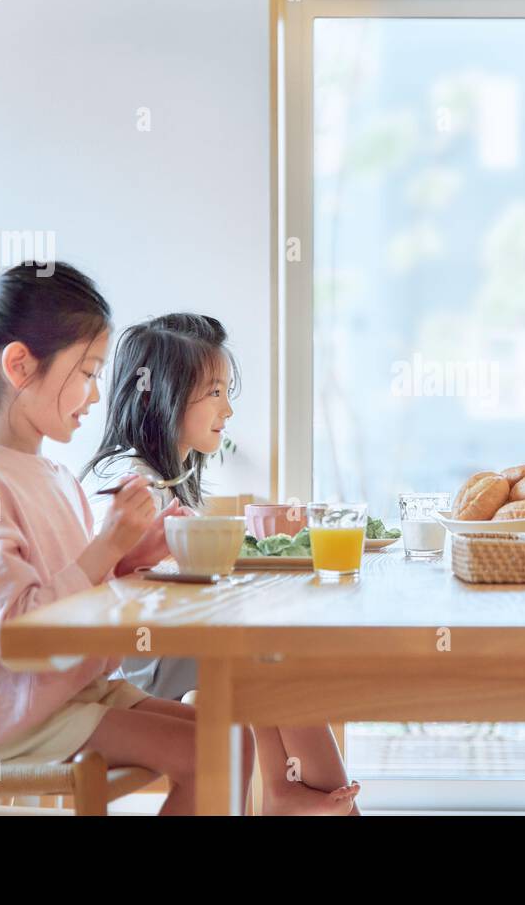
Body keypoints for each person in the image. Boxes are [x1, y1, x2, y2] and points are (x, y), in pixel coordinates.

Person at [83, 313, 360, 814]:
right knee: (273, 658)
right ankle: (291, 793)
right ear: (162, 394)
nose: (228, 409)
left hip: (168, 648)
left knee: (271, 654)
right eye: (214, 393)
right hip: (138, 666)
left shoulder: (166, 476)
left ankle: (284, 789)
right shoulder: (132, 486)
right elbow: (125, 598)